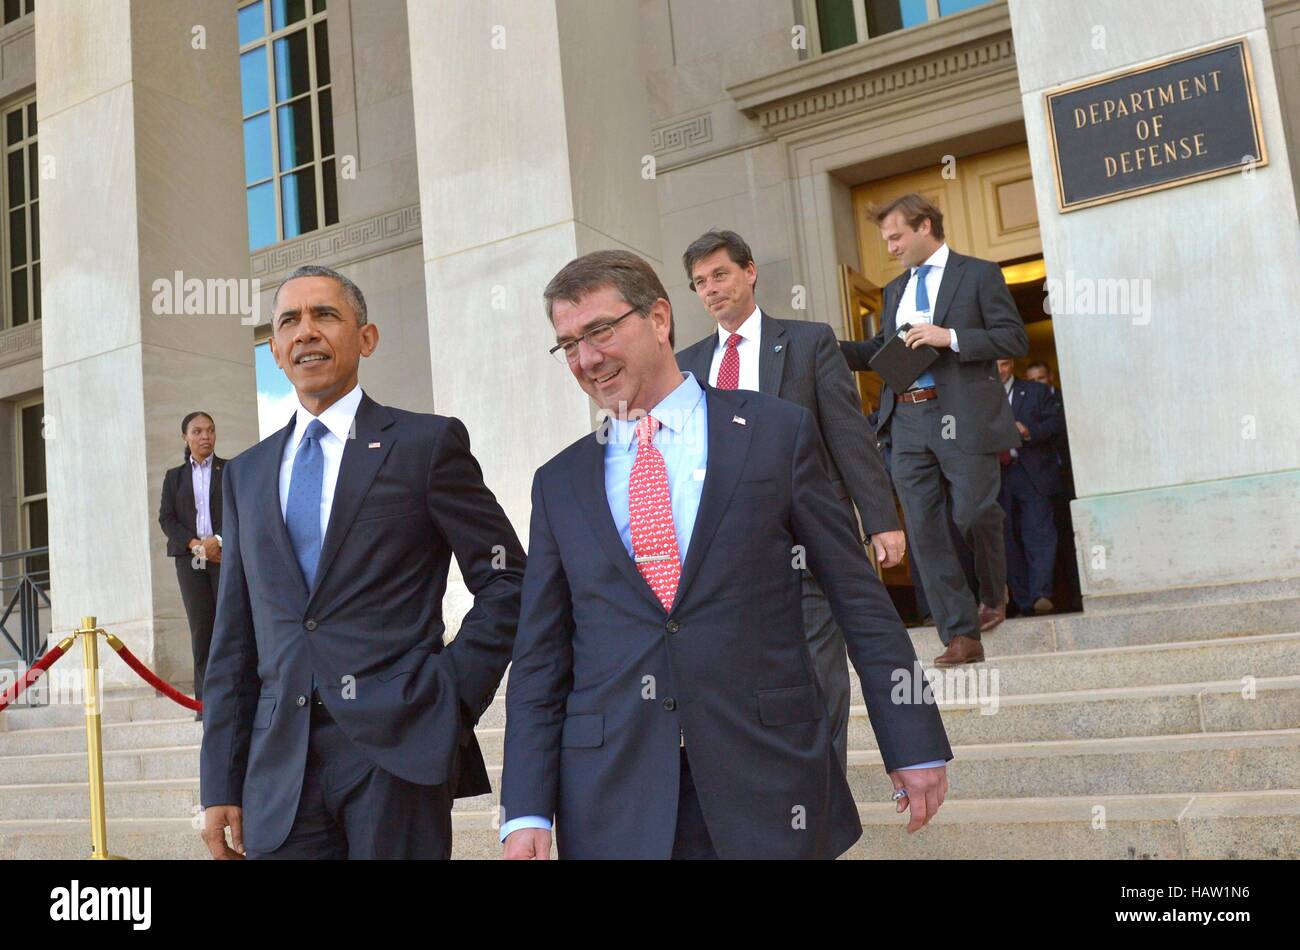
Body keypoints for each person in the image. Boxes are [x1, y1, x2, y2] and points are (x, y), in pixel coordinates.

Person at [500, 250, 950, 860]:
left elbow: (858, 598)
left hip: (768, 777)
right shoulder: (559, 481)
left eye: (600, 331)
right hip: (615, 795)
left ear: (659, 317)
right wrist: (525, 806)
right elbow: (539, 656)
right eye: (569, 344)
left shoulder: (775, 432)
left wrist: (912, 739)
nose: (587, 359)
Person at [199, 264, 525, 860]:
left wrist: (448, 693)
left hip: (395, 749)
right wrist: (220, 778)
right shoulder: (245, 475)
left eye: (325, 315)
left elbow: (509, 579)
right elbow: (234, 637)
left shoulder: (426, 446)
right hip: (280, 766)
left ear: (366, 338)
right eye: (289, 322)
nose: (306, 333)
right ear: (273, 350)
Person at [675, 228, 905, 770]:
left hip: (803, 537)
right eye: (700, 282)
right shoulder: (685, 363)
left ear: (750, 271)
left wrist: (881, 520)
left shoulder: (808, 341)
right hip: (722, 552)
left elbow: (848, 434)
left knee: (819, 672)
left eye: (721, 274)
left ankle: (824, 799)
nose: (711, 289)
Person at [840, 194, 1027, 668]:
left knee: (972, 512)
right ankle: (960, 634)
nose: (890, 247)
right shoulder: (891, 290)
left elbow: (1013, 337)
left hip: (962, 414)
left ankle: (992, 589)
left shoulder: (978, 274)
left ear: (925, 226)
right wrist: (825, 347)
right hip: (905, 420)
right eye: (885, 239)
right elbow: (881, 351)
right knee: (922, 529)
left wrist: (951, 337)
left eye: (897, 236)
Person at [158, 411, 225, 721]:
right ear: (185, 437)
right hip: (190, 558)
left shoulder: (230, 470)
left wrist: (218, 541)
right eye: (197, 431)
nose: (205, 436)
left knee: (230, 626)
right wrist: (195, 544)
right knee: (202, 629)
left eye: (210, 430)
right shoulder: (174, 477)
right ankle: (206, 704)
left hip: (223, 555)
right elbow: (166, 519)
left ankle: (235, 695)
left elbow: (240, 511)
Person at [996, 359, 1064, 616]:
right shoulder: (980, 393)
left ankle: (1041, 595)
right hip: (997, 475)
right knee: (1007, 539)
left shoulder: (1036, 391)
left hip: (1031, 472)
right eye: (993, 365)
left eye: (1003, 364)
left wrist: (1028, 431)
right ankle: (1024, 601)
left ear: (1012, 364)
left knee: (1039, 534)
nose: (999, 371)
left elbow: (1055, 424)